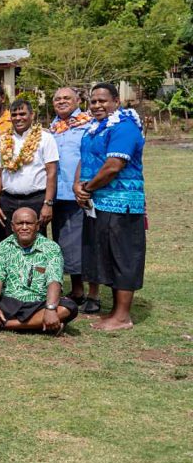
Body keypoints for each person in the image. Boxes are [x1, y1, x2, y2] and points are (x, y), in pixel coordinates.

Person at [76, 82, 146, 332]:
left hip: (122, 205)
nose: (97, 105)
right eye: (93, 101)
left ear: (116, 101)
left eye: (102, 101)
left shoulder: (125, 127)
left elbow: (113, 165)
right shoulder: (94, 128)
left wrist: (88, 188)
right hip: (98, 204)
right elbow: (84, 159)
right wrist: (78, 186)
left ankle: (123, 316)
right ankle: (115, 311)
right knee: (106, 255)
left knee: (123, 257)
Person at [0, 208, 78, 334]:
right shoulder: (3, 246)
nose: (24, 227)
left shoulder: (51, 248)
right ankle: (40, 325)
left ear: (37, 226)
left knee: (69, 307)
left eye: (29, 223)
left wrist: (51, 309)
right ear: (13, 227)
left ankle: (5, 324)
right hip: (9, 302)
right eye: (20, 223)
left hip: (38, 303)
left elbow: (54, 281)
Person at [49, 87, 100, 313]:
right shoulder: (53, 128)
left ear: (78, 100)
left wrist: (87, 186)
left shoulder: (89, 125)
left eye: (66, 98)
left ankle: (94, 294)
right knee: (65, 245)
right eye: (57, 99)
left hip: (82, 193)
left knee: (88, 243)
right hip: (58, 195)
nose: (62, 102)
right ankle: (77, 290)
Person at [0, 99, 59, 238]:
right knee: (10, 241)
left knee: (36, 241)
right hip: (8, 201)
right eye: (14, 115)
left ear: (32, 115)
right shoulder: (2, 140)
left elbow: (51, 173)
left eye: (22, 114)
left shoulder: (45, 138)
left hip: (36, 200)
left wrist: (48, 204)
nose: (18, 118)